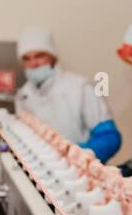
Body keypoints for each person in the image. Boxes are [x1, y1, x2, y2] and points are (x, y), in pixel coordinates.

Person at [14, 25, 120, 161]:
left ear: (52, 57)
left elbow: (109, 137)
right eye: (27, 59)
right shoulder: (23, 95)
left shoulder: (80, 87)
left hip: (77, 172)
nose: (33, 63)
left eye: (39, 56)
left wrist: (79, 154)